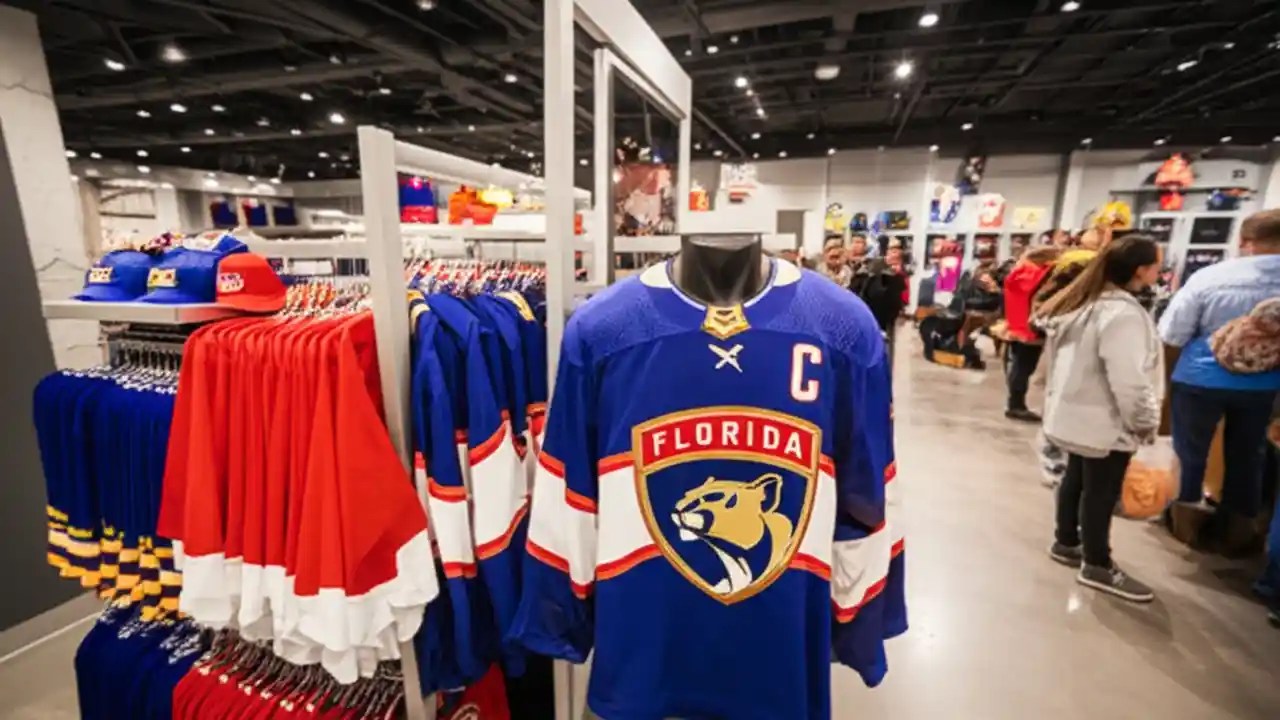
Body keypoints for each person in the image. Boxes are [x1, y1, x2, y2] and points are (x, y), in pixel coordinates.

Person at [1039, 235, 1163, 602]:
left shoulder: (1083, 304)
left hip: (1076, 414)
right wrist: (1144, 420)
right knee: (1101, 491)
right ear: (1141, 270)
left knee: (1076, 476)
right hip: (1105, 420)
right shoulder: (1122, 315)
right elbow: (1128, 378)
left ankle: (1066, 541)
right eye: (1157, 263)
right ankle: (1097, 562)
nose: (1160, 269)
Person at [1158, 209, 1280, 550]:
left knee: (1189, 450)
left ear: (1246, 242)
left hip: (1201, 377)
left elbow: (1173, 331)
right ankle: (1238, 532)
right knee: (1249, 455)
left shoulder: (1210, 277)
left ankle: (1186, 527)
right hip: (1265, 382)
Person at [1002, 246, 1060, 421]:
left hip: (1015, 325)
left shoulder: (1018, 273)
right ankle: (1016, 405)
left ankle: (1014, 402)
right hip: (1030, 328)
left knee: (1017, 366)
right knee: (1024, 368)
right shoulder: (1040, 276)